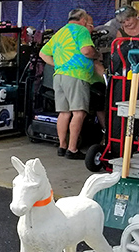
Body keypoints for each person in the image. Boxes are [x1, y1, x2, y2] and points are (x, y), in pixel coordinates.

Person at [39, 8, 103, 159]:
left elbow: (42, 53)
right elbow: (86, 51)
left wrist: (58, 64)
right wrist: (97, 54)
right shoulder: (81, 30)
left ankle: (62, 146)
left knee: (64, 113)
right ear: (83, 20)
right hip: (76, 75)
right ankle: (72, 149)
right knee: (79, 112)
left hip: (59, 76)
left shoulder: (60, 32)